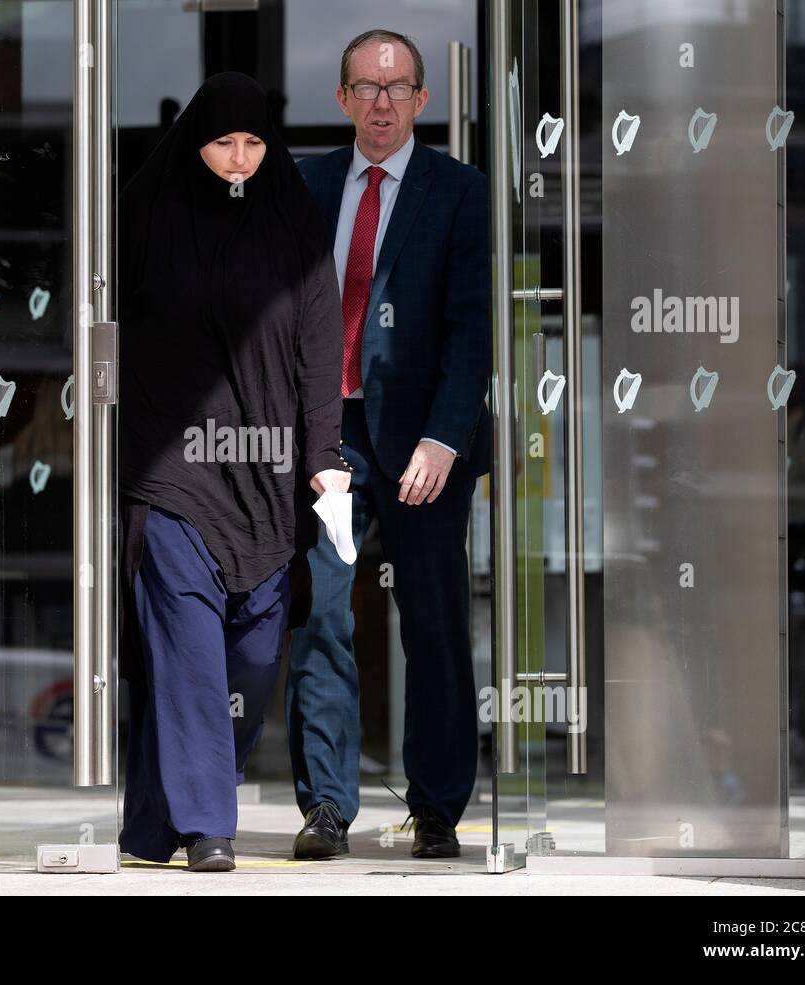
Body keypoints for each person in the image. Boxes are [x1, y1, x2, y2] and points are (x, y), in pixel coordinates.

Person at [117, 72, 347, 871]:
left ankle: (154, 818)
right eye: (223, 144)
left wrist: (325, 460)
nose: (240, 160)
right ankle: (208, 825)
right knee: (189, 654)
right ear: (196, 144)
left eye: (253, 144)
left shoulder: (294, 222)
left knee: (250, 657)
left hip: (267, 473)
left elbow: (321, 354)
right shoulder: (145, 217)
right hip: (173, 471)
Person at [287, 29, 491, 859]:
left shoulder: (459, 190)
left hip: (423, 445)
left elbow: (473, 328)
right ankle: (327, 807)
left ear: (421, 99)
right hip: (330, 436)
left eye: (396, 86)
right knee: (322, 613)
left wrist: (446, 437)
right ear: (340, 99)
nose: (381, 102)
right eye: (365, 88)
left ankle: (437, 806)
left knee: (433, 621)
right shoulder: (307, 185)